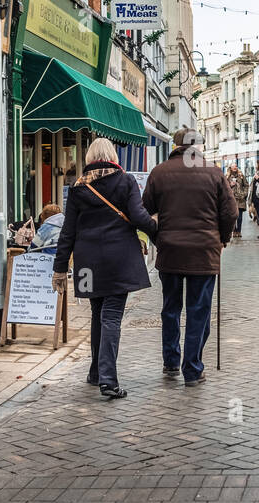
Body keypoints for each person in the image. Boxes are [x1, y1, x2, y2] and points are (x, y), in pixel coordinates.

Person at [53, 139, 157, 400]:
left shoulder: (78, 187)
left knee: (98, 314)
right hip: (118, 259)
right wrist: (158, 228)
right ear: (112, 155)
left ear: (89, 157)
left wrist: (59, 268)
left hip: (88, 262)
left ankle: (96, 372)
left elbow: (68, 232)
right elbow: (138, 217)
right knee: (111, 317)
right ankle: (108, 380)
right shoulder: (126, 181)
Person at [142, 128, 237, 387]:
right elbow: (230, 213)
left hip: (170, 251)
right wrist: (223, 239)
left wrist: (157, 237)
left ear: (175, 145)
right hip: (204, 254)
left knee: (171, 308)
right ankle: (192, 369)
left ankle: (171, 361)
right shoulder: (214, 173)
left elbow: (144, 211)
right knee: (199, 310)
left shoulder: (159, 173)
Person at [225, 164, 249, 237]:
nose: (235, 167)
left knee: (240, 217)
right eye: (233, 166)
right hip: (231, 199)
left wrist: (244, 194)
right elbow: (223, 187)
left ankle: (239, 231)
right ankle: (234, 230)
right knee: (232, 216)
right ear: (230, 168)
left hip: (240, 199)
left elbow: (246, 185)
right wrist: (230, 185)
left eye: (236, 166)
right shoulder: (227, 176)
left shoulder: (241, 175)